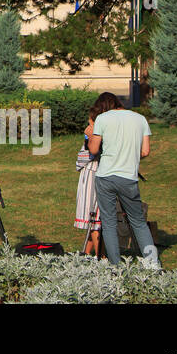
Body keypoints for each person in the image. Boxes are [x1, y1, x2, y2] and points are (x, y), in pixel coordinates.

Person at [88, 92, 160, 268]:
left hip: (105, 176)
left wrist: (90, 134)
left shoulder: (102, 119)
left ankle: (114, 265)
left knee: (109, 222)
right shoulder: (140, 119)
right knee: (138, 222)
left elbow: (94, 149)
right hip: (128, 177)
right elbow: (145, 151)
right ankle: (152, 263)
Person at [74, 96, 117, 255]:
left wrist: (89, 137)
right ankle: (86, 254)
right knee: (96, 221)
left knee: (95, 221)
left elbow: (90, 153)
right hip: (101, 174)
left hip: (93, 176)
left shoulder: (97, 132)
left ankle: (103, 257)